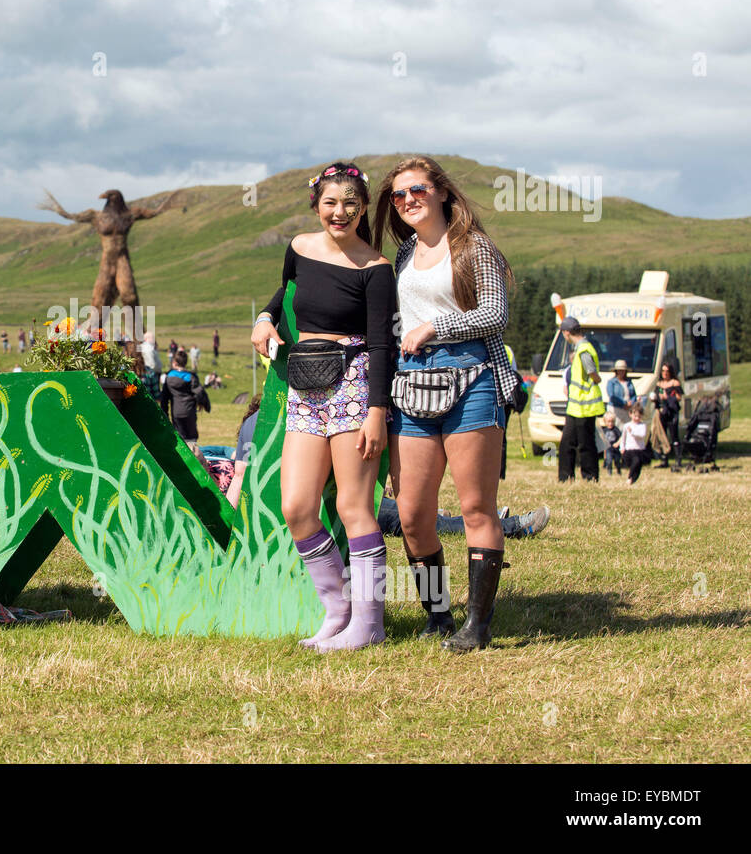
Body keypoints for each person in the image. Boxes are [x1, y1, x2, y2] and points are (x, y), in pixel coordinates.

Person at [372, 155, 522, 653]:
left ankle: (477, 626)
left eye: (416, 190)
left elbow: (496, 314)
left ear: (440, 192)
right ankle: (438, 616)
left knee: (476, 505)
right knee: (413, 513)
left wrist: (438, 326)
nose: (407, 200)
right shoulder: (404, 253)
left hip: (472, 374)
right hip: (411, 383)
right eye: (398, 195)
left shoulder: (474, 247)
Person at [253, 161, 395, 653]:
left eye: (350, 204)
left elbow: (382, 345)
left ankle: (370, 622)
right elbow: (288, 292)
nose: (340, 213)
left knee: (353, 506)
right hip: (304, 385)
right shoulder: (298, 248)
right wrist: (266, 317)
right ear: (316, 204)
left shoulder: (376, 270)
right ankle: (337, 611)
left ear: (362, 209)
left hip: (355, 384)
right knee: (296, 506)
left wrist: (378, 411)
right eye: (330, 203)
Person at [224, 405, 550, 538]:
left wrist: (232, 524)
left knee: (418, 515)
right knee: (420, 519)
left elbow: (239, 477)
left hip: (333, 502)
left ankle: (497, 519)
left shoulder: (252, 425)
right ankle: (510, 525)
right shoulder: (267, 421)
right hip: (341, 503)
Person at [556, 316, 603, 482]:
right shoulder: (582, 348)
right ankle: (565, 477)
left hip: (585, 405)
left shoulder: (583, 350)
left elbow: (592, 372)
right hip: (576, 406)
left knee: (586, 444)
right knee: (567, 443)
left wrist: (597, 380)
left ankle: (590, 477)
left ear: (567, 333)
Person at [159, 349, 210, 449]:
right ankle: (193, 458)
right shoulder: (190, 377)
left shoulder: (169, 377)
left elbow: (164, 398)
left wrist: (165, 413)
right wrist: (205, 405)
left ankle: (183, 459)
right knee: (191, 438)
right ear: (186, 362)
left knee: (180, 438)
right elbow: (199, 392)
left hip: (176, 412)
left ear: (174, 362)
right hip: (189, 411)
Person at [654, 361, 684, 470]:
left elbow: (679, 397)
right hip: (662, 412)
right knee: (662, 435)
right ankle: (664, 459)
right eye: (663, 371)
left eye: (667, 371)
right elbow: (657, 396)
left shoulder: (674, 383)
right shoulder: (659, 384)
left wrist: (668, 398)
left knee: (674, 435)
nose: (665, 373)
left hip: (672, 411)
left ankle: (678, 459)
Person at [620, 402, 650, 484]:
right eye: (635, 416)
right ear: (630, 414)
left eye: (639, 417)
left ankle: (632, 479)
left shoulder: (642, 425)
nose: (637, 418)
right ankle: (630, 477)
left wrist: (632, 432)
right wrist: (622, 447)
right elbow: (623, 438)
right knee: (635, 463)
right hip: (629, 449)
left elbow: (642, 435)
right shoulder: (627, 426)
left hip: (639, 450)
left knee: (638, 465)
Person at [600, 412, 622, 476]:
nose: (610, 423)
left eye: (612, 422)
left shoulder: (616, 429)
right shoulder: (604, 430)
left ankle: (618, 470)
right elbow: (602, 439)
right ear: (605, 422)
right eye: (608, 422)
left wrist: (618, 443)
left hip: (615, 448)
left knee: (617, 461)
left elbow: (621, 437)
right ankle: (609, 472)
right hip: (608, 449)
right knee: (608, 461)